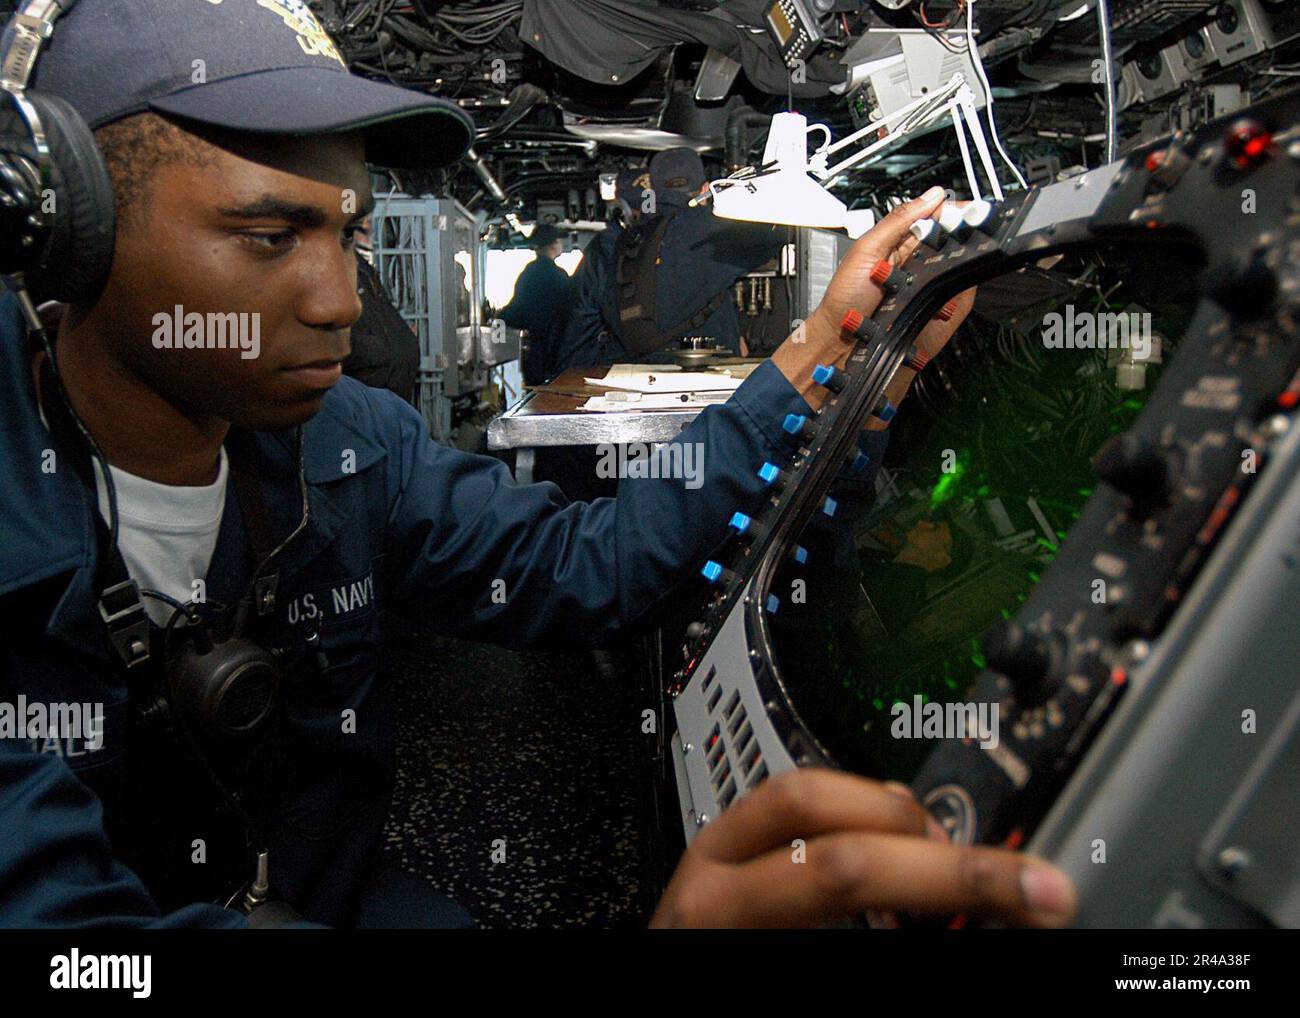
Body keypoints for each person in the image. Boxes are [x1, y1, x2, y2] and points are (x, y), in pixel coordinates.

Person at [0, 0, 1075, 929]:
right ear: (68, 236)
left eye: (350, 236)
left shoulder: (347, 443)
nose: (337, 304)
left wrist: (818, 365)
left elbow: (590, 562)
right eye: (268, 236)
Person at [551, 148, 785, 370]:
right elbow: (780, 226)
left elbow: (579, 322)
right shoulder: (720, 231)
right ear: (704, 188)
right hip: (706, 376)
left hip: (629, 381)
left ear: (651, 191)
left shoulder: (608, 244)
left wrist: (567, 379)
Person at [342, 218, 421, 404]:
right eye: (360, 230)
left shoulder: (364, 271)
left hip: (390, 403)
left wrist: (401, 334)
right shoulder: (339, 272)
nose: (369, 235)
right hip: (365, 404)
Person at [499, 222, 573, 386]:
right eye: (559, 241)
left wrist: (498, 321)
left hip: (535, 350)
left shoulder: (528, 274)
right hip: (557, 349)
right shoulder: (560, 277)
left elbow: (516, 311)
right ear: (553, 244)